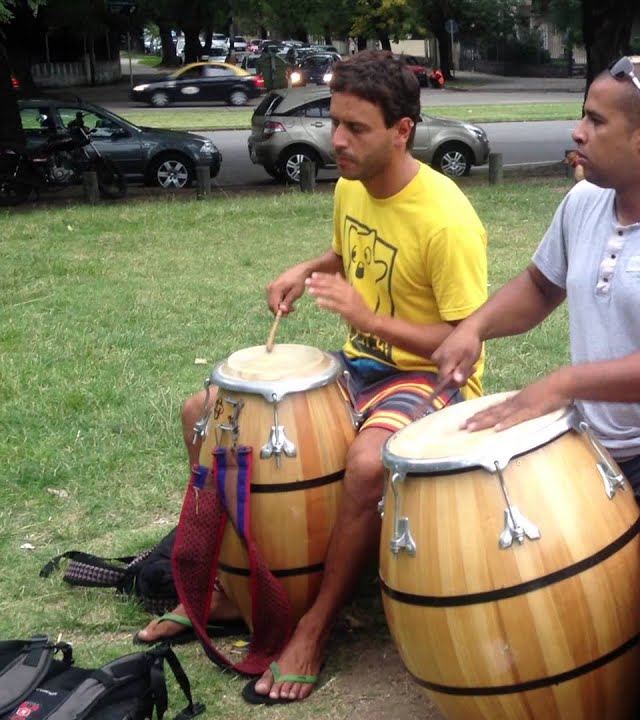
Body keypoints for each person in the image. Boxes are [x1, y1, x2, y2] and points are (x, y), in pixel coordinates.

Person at [133, 50, 489, 705]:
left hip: (431, 380)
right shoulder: (352, 184)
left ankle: (315, 625)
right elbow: (349, 249)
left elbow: (463, 342)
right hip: (359, 368)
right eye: (335, 123)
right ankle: (230, 591)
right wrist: (307, 266)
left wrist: (366, 313)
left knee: (362, 464)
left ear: (401, 132)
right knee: (203, 415)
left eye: (356, 128)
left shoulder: (447, 219)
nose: (338, 140)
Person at [432, 59, 640, 720]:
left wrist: (568, 380)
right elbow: (540, 287)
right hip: (591, 439)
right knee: (505, 545)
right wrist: (476, 328)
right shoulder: (583, 202)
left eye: (594, 120)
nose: (577, 132)